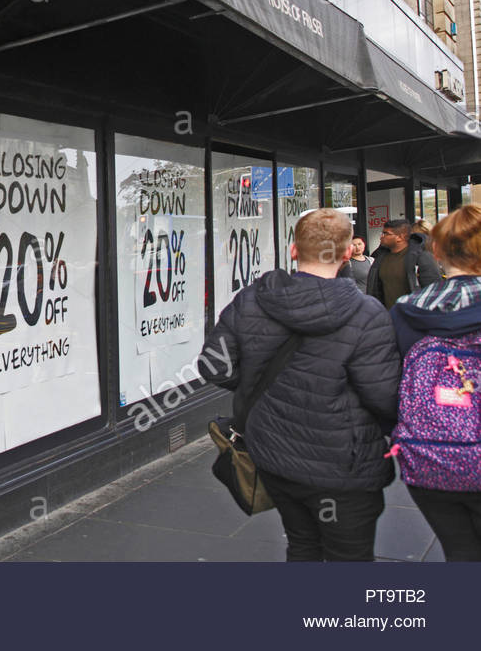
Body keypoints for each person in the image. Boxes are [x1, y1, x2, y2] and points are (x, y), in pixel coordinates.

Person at [198, 208, 400, 561]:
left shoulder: (251, 299)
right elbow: (385, 397)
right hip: (343, 467)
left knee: (302, 545)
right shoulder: (368, 314)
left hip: (275, 456)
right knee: (349, 556)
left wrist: (261, 389)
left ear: (294, 250)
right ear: (348, 252)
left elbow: (215, 366)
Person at [388, 205, 481, 561]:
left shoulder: (405, 309)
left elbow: (387, 383)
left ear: (437, 252)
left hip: (431, 460)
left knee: (459, 551)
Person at [366, 219, 442, 309]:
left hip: (414, 316)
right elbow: (375, 289)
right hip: (388, 316)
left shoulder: (421, 257)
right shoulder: (380, 257)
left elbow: (433, 289)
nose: (381, 237)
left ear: (400, 237)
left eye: (386, 234)